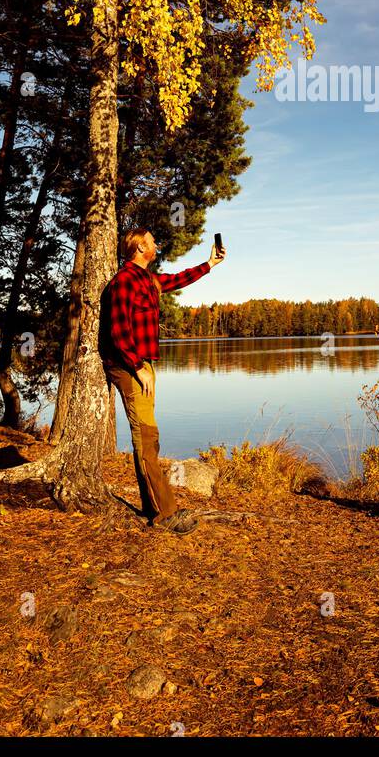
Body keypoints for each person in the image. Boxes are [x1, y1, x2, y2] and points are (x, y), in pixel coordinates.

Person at [100, 228, 226, 535]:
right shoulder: (122, 283)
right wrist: (137, 366)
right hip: (130, 367)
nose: (157, 243)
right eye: (153, 240)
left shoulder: (148, 280)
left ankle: (153, 505)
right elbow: (117, 332)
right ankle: (164, 514)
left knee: (149, 439)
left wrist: (209, 264)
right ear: (141, 246)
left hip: (141, 366)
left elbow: (178, 279)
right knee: (146, 440)